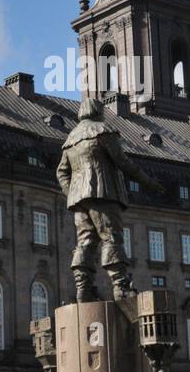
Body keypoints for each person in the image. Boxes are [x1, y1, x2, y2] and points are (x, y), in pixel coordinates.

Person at [55, 97, 163, 301]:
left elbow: (61, 172)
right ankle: (120, 286)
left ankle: (82, 289)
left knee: (85, 242)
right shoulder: (102, 131)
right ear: (98, 111)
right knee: (111, 238)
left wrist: (72, 193)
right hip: (102, 192)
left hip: (79, 199)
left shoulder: (70, 140)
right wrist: (148, 182)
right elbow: (123, 162)